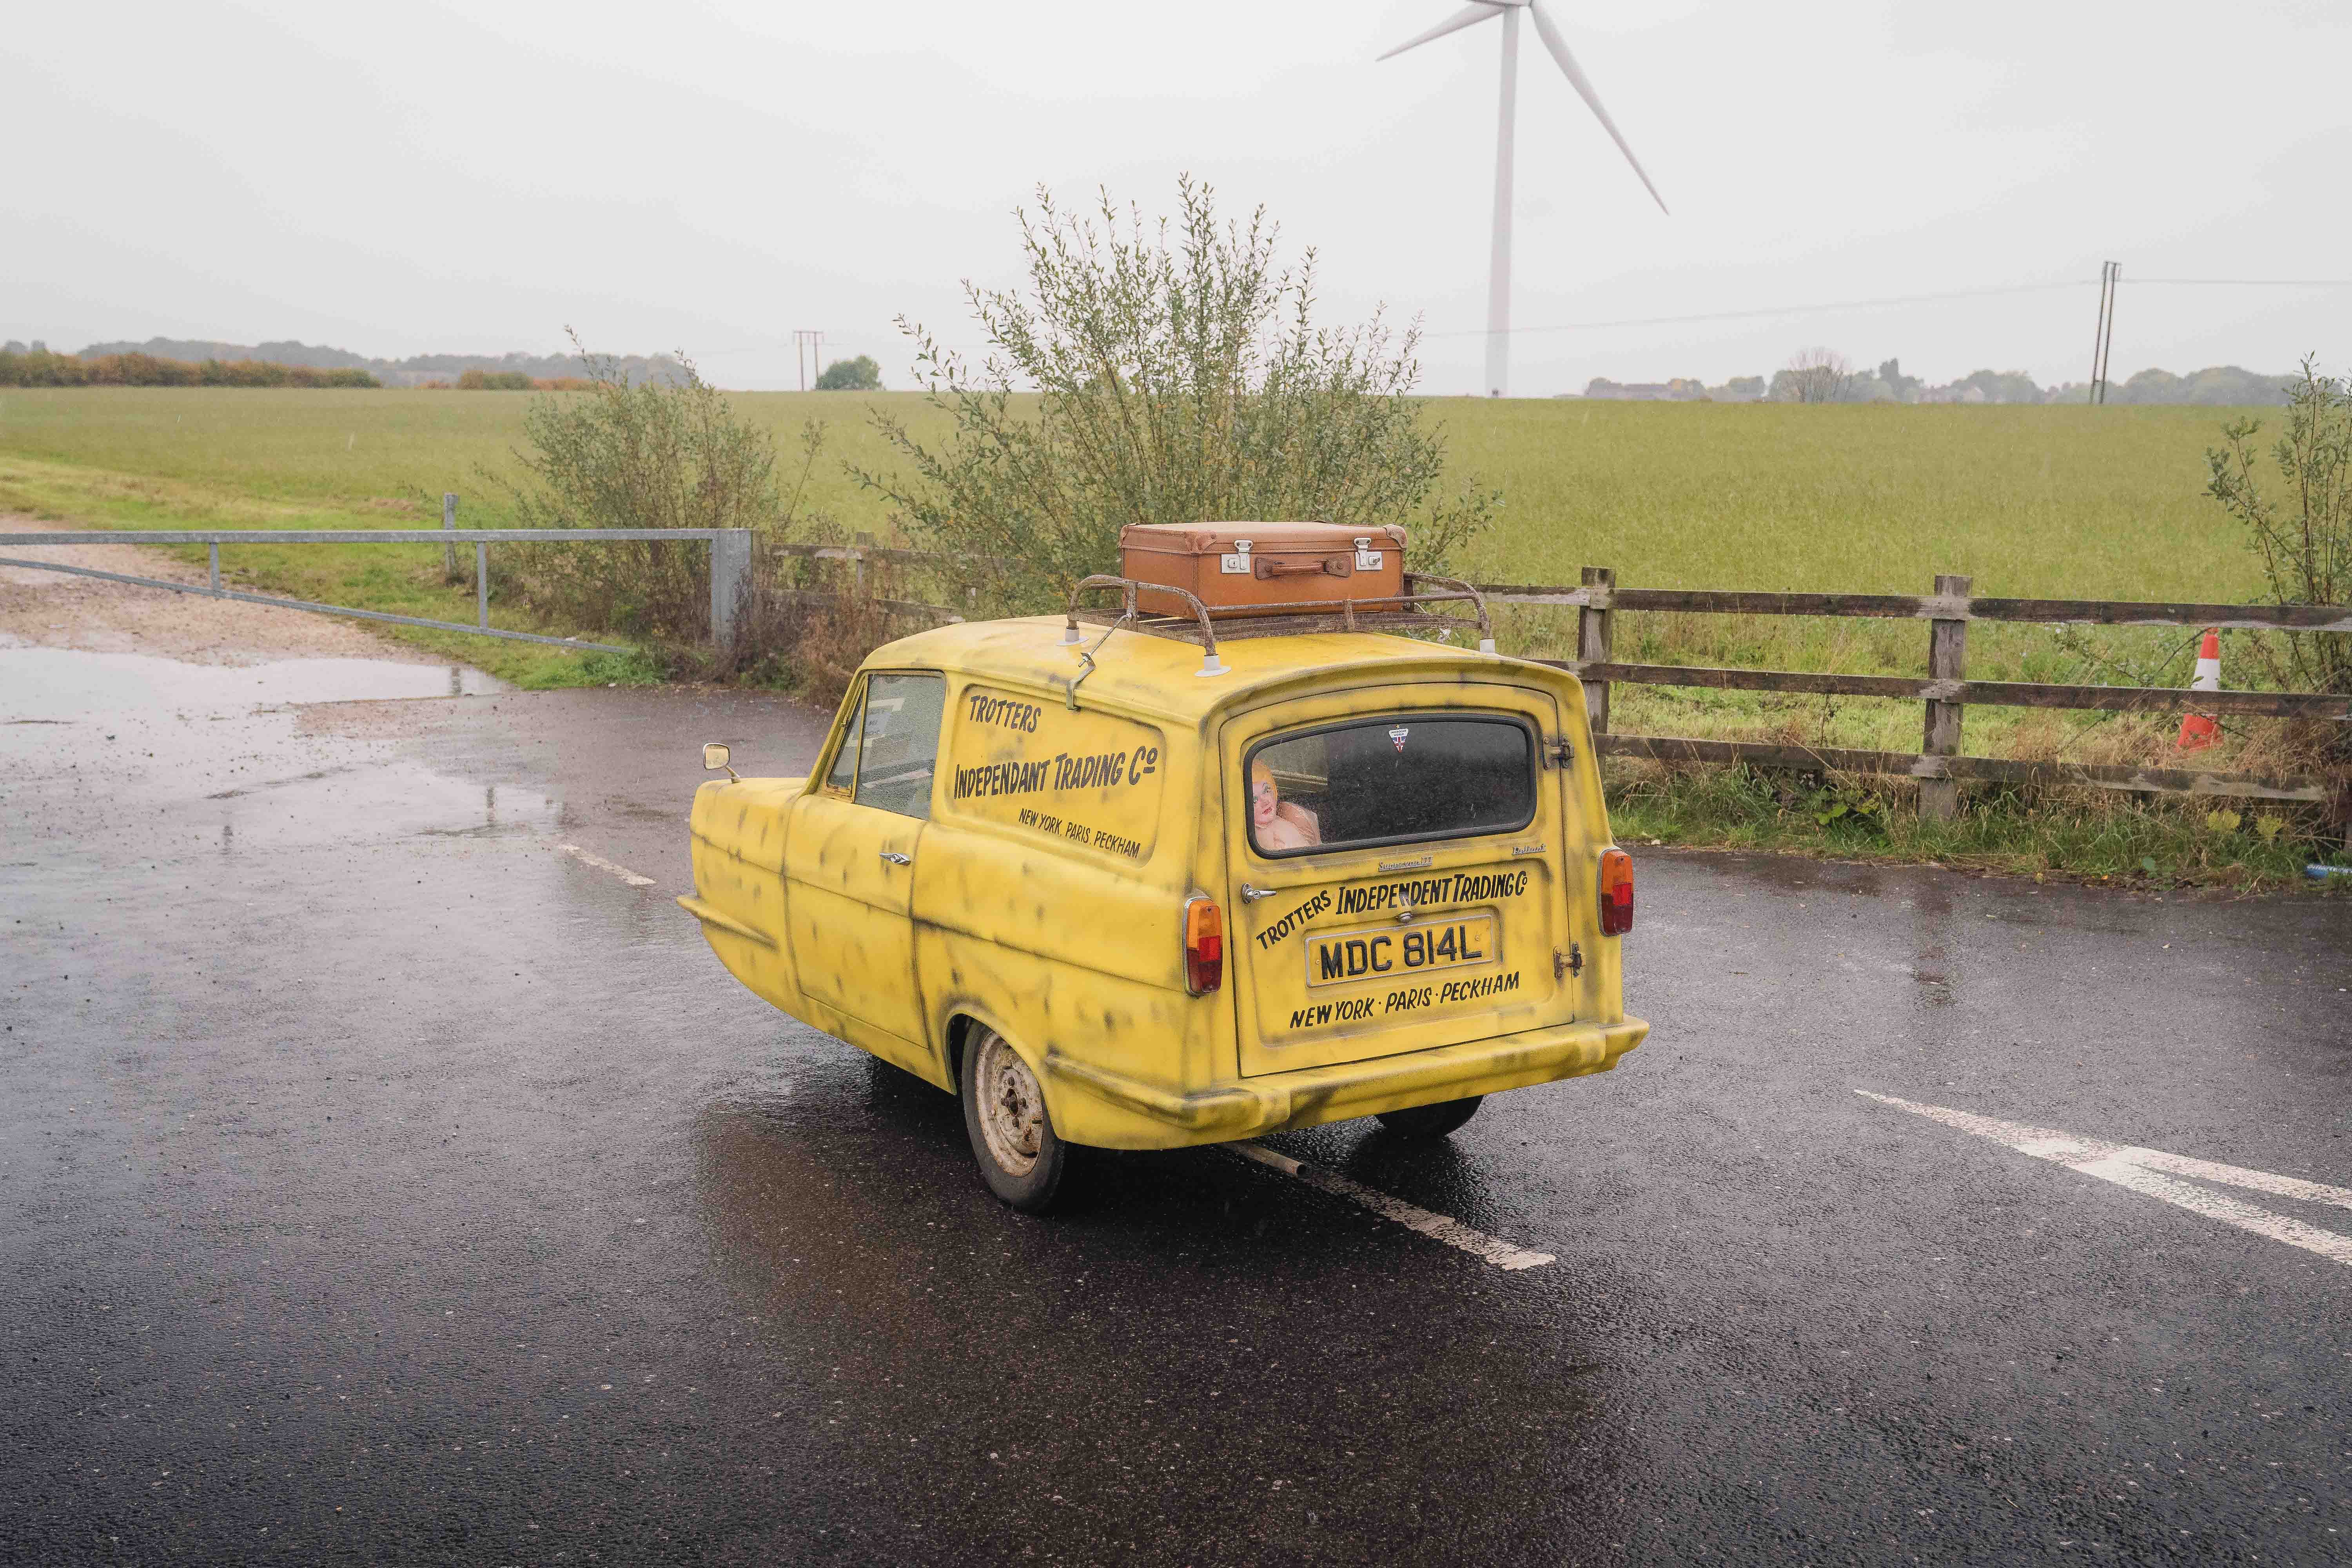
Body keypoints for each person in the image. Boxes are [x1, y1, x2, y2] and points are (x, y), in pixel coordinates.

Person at [1250, 758, 1321, 851]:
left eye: (1266, 791)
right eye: (1254, 800)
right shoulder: (1260, 838)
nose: (1266, 802)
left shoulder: (1285, 814)